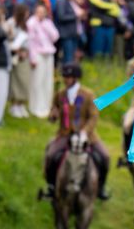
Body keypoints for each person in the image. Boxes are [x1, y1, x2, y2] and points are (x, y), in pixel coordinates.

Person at [40, 63, 111, 201]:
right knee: (50, 155)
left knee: (105, 156)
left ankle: (101, 187)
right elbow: (53, 114)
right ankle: (51, 187)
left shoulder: (88, 95)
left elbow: (93, 116)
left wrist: (85, 132)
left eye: (69, 77)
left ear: (76, 78)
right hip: (64, 134)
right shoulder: (60, 95)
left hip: (87, 136)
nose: (66, 79)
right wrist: (52, 115)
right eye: (65, 76)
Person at [27, 2, 59, 118]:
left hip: (48, 54)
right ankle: (36, 107)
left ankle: (46, 106)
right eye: (38, 12)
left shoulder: (48, 23)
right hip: (38, 55)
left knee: (47, 81)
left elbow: (55, 36)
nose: (41, 14)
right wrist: (33, 57)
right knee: (37, 81)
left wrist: (46, 27)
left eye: (43, 12)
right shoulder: (31, 23)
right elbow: (31, 42)